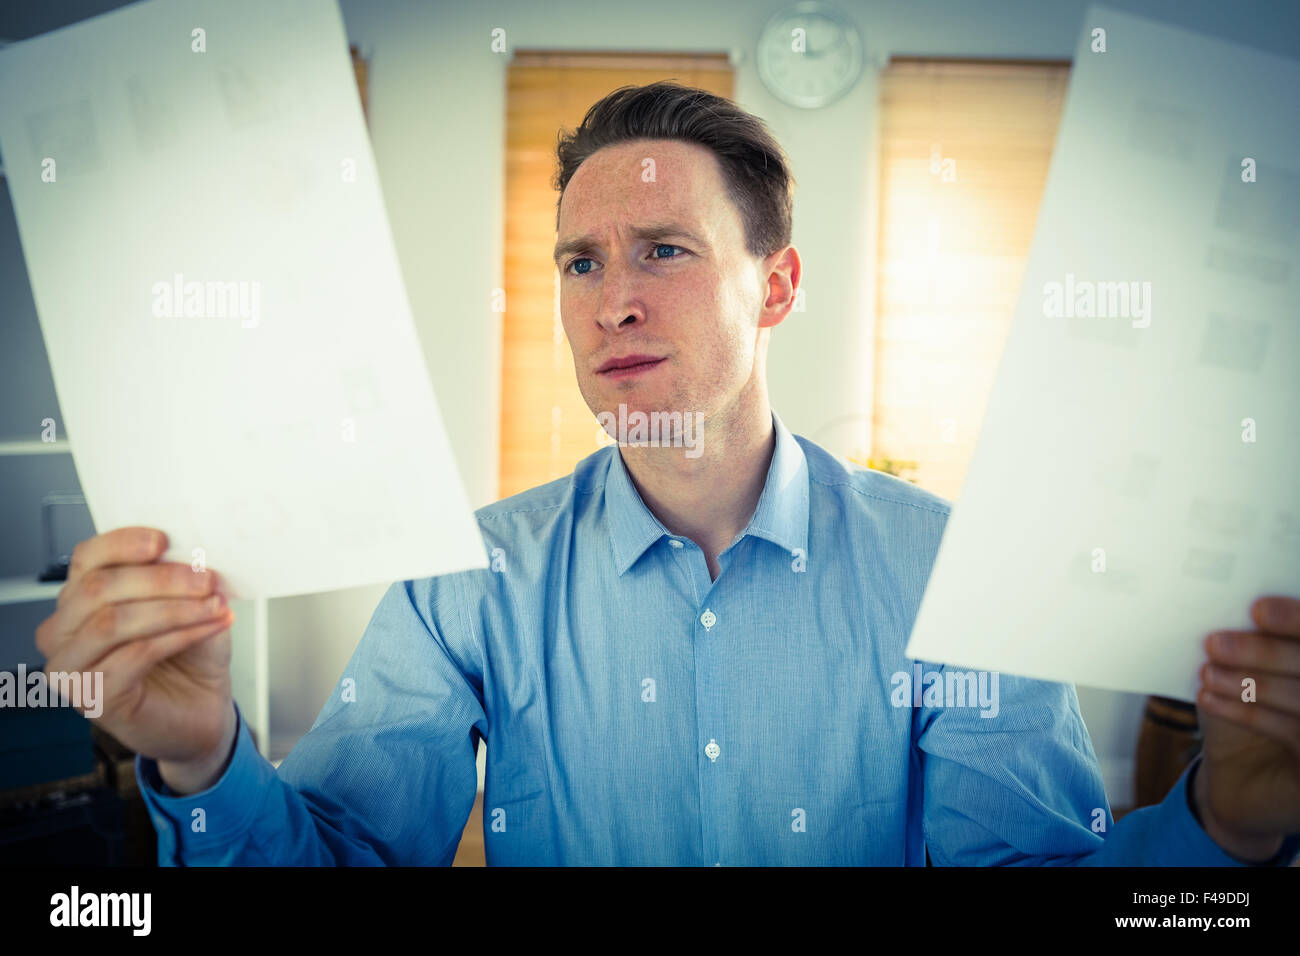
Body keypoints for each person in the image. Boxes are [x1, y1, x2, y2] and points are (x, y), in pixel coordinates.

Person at [36, 82, 1300, 866]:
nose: (614, 301)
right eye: (580, 263)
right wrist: (204, 757)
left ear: (778, 285)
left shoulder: (947, 568)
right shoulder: (462, 580)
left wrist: (1228, 826)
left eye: (663, 249)